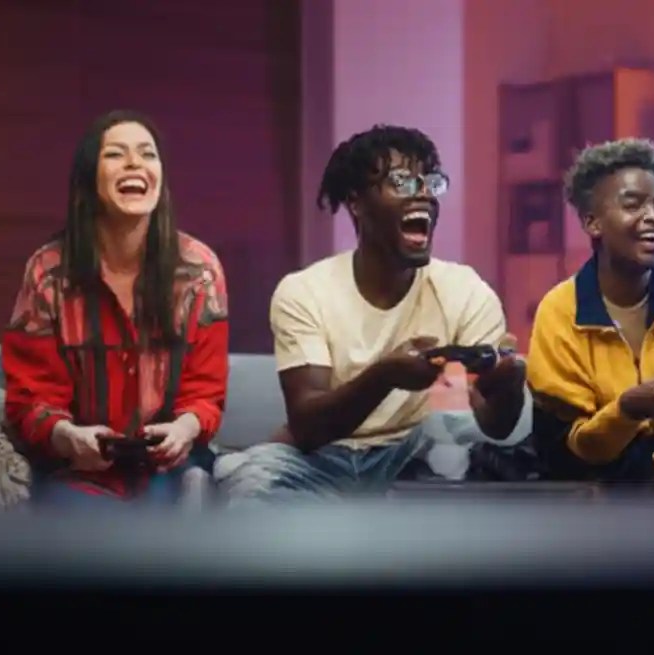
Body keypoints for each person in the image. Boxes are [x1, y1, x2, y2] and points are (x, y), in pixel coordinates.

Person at [222, 124, 526, 500]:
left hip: (410, 452)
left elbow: (494, 426)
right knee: (250, 486)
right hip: (321, 458)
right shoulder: (304, 291)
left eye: (431, 183)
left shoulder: (465, 290)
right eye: (402, 182)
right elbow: (307, 425)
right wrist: (384, 375)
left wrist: (506, 388)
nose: (425, 196)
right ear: (356, 202)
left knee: (466, 457)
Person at [2, 110, 229, 508]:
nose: (134, 164)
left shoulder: (200, 272)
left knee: (184, 513)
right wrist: (66, 435)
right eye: (116, 154)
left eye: (147, 154)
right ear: (90, 178)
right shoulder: (48, 273)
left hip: (171, 466)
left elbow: (205, 393)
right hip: (77, 470)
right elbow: (30, 398)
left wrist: (184, 429)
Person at [526, 138, 654, 484]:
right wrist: (627, 411)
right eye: (633, 204)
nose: (653, 217)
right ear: (593, 222)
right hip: (587, 496)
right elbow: (565, 452)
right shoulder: (560, 310)